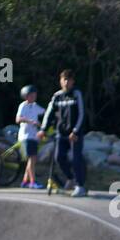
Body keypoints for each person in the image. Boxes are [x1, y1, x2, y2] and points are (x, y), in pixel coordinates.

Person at [39, 69, 88, 197]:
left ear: (73, 81)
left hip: (75, 134)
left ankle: (80, 186)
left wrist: (75, 131)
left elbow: (82, 114)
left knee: (75, 158)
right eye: (64, 80)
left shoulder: (77, 94)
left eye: (69, 80)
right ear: (60, 81)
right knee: (59, 158)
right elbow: (49, 114)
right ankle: (70, 178)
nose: (66, 82)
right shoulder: (56, 96)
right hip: (61, 133)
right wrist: (43, 129)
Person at [15, 85, 45, 189]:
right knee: (32, 158)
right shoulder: (23, 105)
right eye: (32, 94)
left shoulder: (35, 106)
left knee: (32, 159)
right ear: (26, 96)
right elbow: (18, 119)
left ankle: (24, 181)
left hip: (34, 136)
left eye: (35, 94)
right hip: (26, 136)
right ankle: (32, 182)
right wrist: (30, 121)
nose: (34, 96)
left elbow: (45, 112)